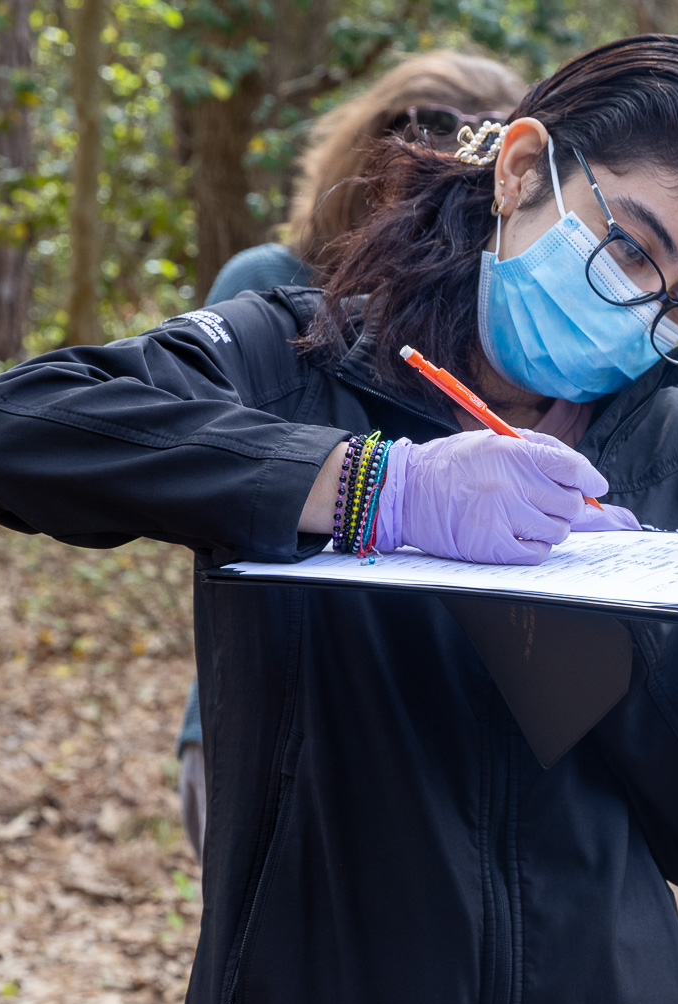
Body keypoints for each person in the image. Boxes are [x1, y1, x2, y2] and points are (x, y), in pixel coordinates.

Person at [0, 34, 678, 1004]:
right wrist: (376, 490)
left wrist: (618, 611)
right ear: (524, 169)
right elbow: (21, 430)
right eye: (629, 247)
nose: (642, 309)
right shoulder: (296, 358)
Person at [178, 48, 529, 860]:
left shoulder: (497, 325)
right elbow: (205, 472)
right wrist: (383, 489)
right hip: (271, 684)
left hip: (437, 711)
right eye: (415, 161)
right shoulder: (272, 284)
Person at [204, 49, 527, 304]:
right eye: (422, 196)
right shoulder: (266, 285)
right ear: (366, 165)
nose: (448, 223)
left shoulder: (500, 323)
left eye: (473, 199)